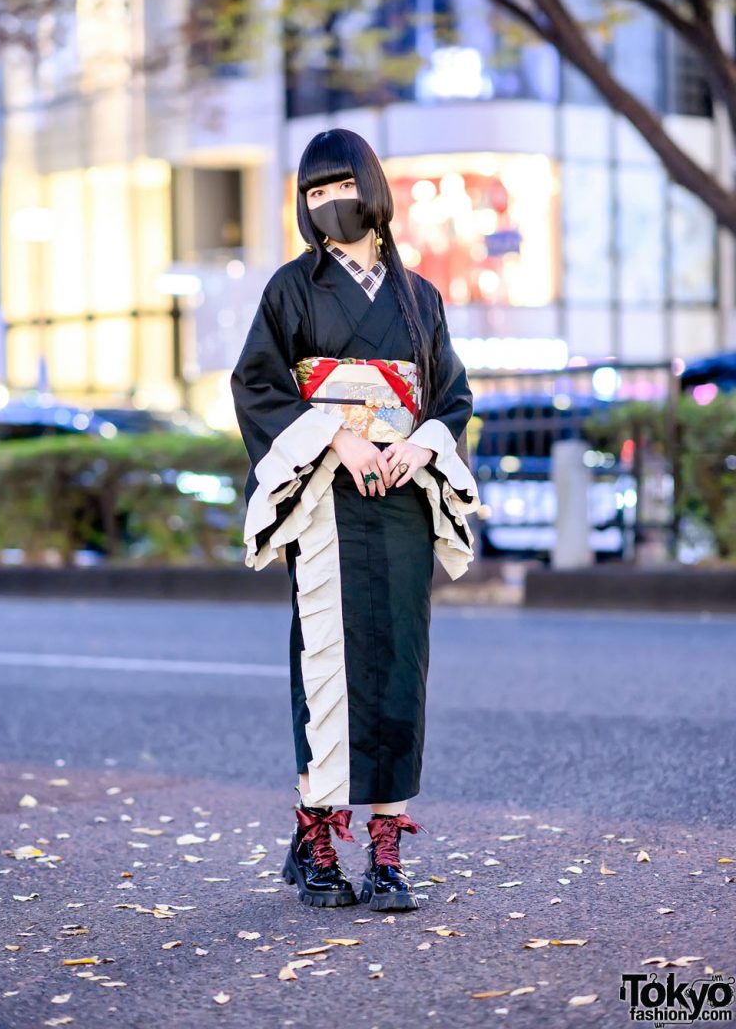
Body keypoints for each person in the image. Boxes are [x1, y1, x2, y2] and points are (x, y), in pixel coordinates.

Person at [231, 128, 479, 912]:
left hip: (400, 498)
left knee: (401, 661)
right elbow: (257, 385)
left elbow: (451, 397)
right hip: (325, 499)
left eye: (341, 186)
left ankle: (386, 845)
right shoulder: (291, 289)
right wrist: (337, 436)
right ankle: (316, 837)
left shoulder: (420, 297)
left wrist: (422, 444)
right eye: (314, 192)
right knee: (326, 662)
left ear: (370, 190)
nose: (329, 202)